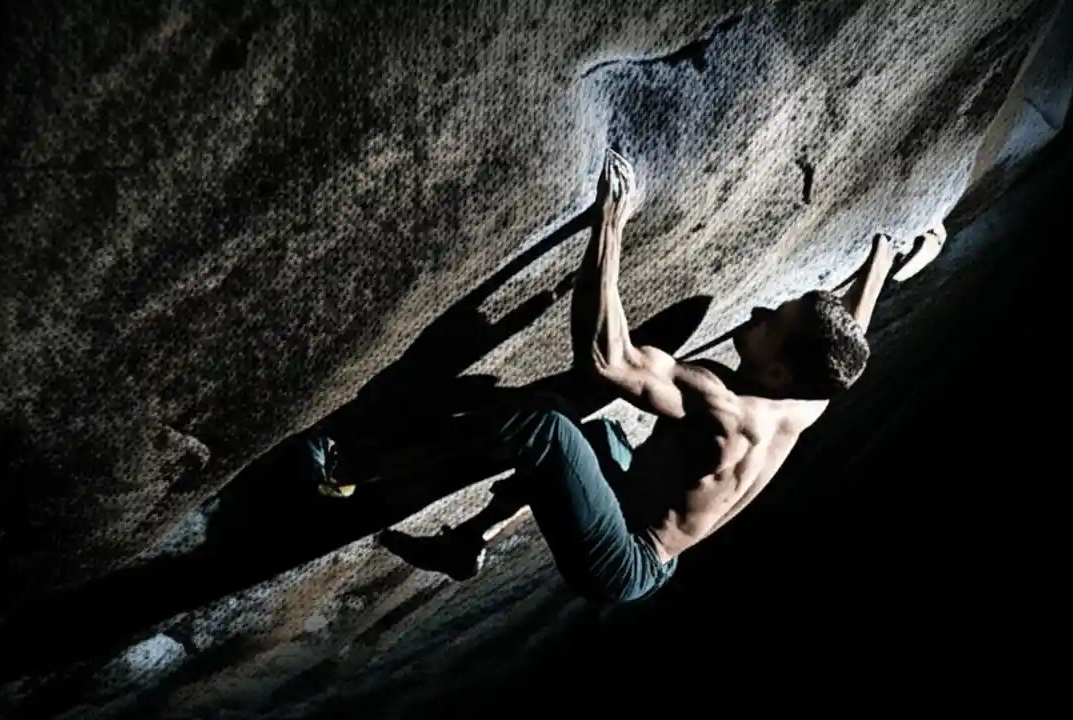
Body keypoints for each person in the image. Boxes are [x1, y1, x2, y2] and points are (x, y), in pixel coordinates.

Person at [353, 148, 943, 603]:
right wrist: (883, 261)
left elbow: (610, 360)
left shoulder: (726, 409)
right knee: (599, 440)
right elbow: (850, 341)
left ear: (779, 369)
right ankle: (469, 541)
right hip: (651, 534)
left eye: (772, 322)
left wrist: (610, 219)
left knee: (548, 430)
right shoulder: (805, 400)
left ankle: (366, 465)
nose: (761, 313)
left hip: (625, 561)